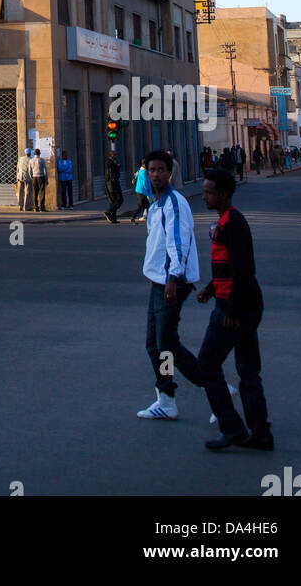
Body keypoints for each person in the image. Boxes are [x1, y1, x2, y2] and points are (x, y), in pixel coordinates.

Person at [196, 168, 273, 450]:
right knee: (248, 370)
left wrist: (230, 310)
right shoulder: (227, 221)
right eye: (204, 191)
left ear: (224, 195)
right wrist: (210, 288)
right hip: (241, 304)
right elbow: (228, 267)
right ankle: (261, 433)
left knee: (207, 364)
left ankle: (232, 428)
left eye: (209, 192)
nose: (204, 196)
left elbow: (244, 270)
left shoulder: (232, 223)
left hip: (236, 307)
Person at [137, 149, 205, 419]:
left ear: (169, 172)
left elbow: (179, 242)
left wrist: (173, 278)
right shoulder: (156, 205)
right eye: (151, 170)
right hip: (159, 280)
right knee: (156, 344)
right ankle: (166, 398)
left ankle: (214, 387)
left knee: (166, 343)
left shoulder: (174, 203)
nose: (155, 175)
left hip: (171, 281)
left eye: (160, 170)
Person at [104, 148, 123, 223]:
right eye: (114, 154)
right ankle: (109, 212)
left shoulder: (113, 162)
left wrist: (118, 164)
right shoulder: (109, 162)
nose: (116, 156)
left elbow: (116, 168)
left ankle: (113, 218)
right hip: (112, 185)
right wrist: (115, 184)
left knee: (113, 201)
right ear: (111, 155)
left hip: (111, 184)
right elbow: (112, 174)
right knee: (119, 200)